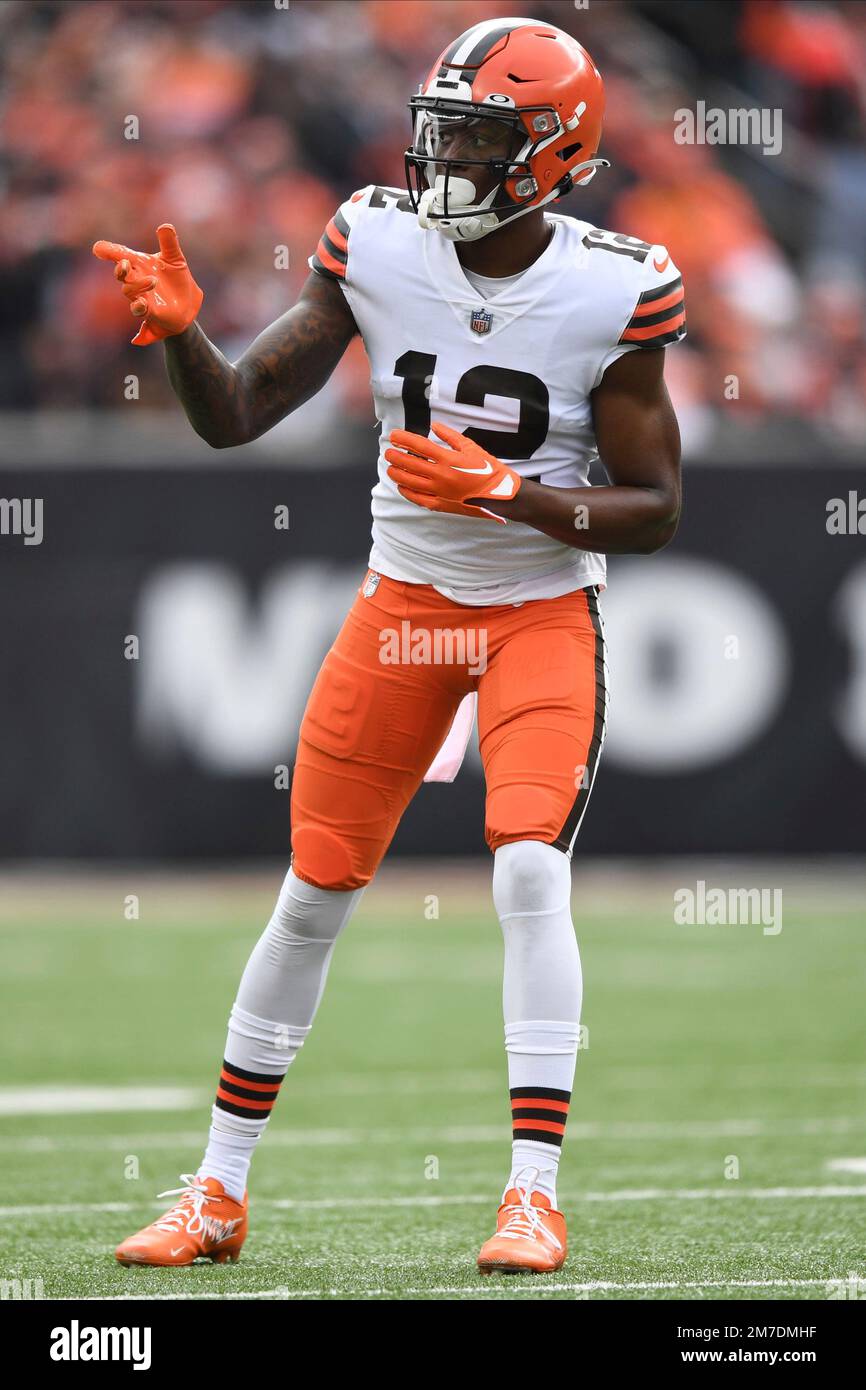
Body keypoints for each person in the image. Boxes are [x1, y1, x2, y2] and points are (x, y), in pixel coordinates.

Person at [95, 16, 684, 1276]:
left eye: (476, 138)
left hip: (534, 609)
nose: (444, 160)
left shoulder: (613, 284)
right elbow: (239, 414)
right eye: (441, 131)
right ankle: (216, 1192)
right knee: (312, 890)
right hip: (402, 605)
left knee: (528, 871)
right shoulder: (375, 239)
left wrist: (507, 493)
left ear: (551, 153)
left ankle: (532, 1194)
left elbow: (653, 511)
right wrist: (189, 336)